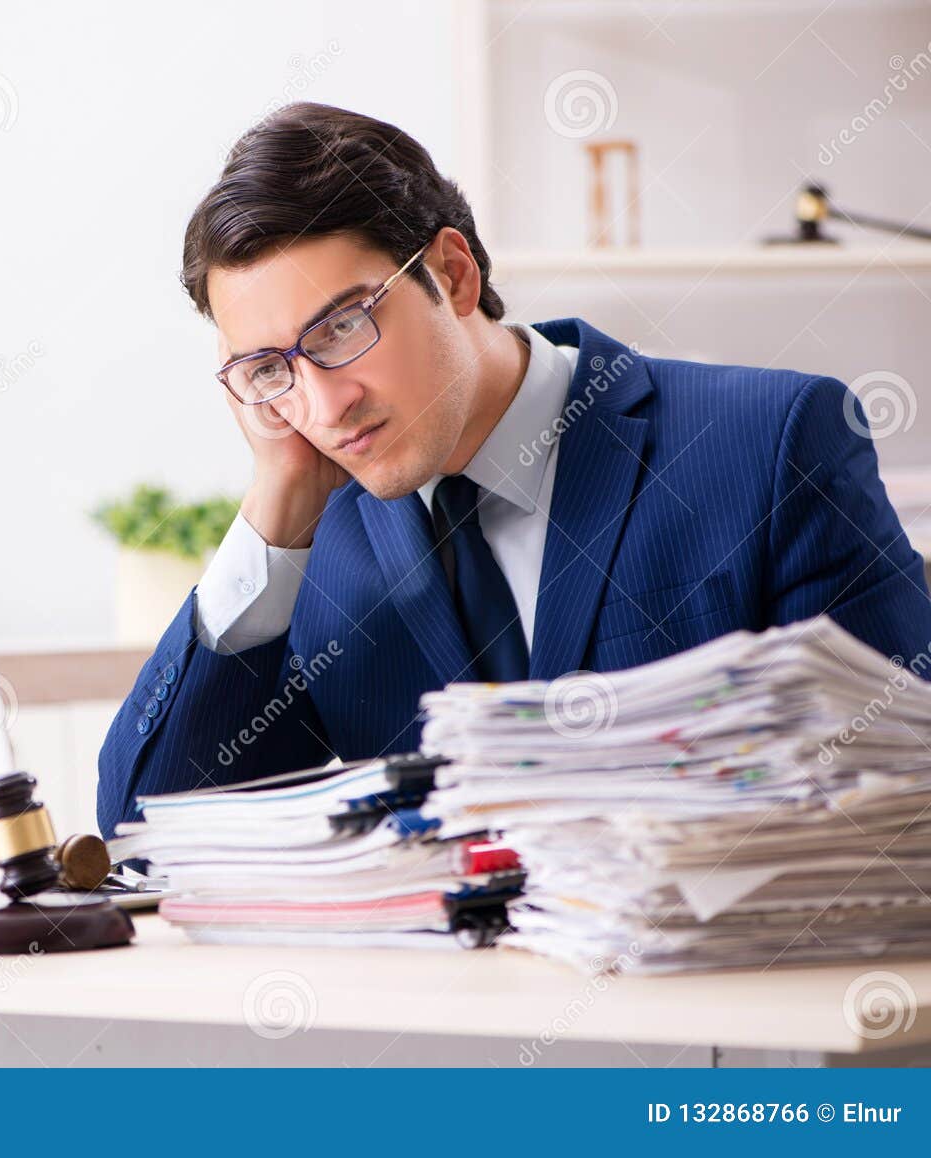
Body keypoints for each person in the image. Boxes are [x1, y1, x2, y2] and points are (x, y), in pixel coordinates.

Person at [96, 102, 931, 836]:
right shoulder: (315, 539)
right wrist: (277, 504)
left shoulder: (769, 444)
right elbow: (144, 829)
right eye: (269, 368)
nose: (322, 405)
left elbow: (906, 788)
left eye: (343, 327)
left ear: (453, 274)